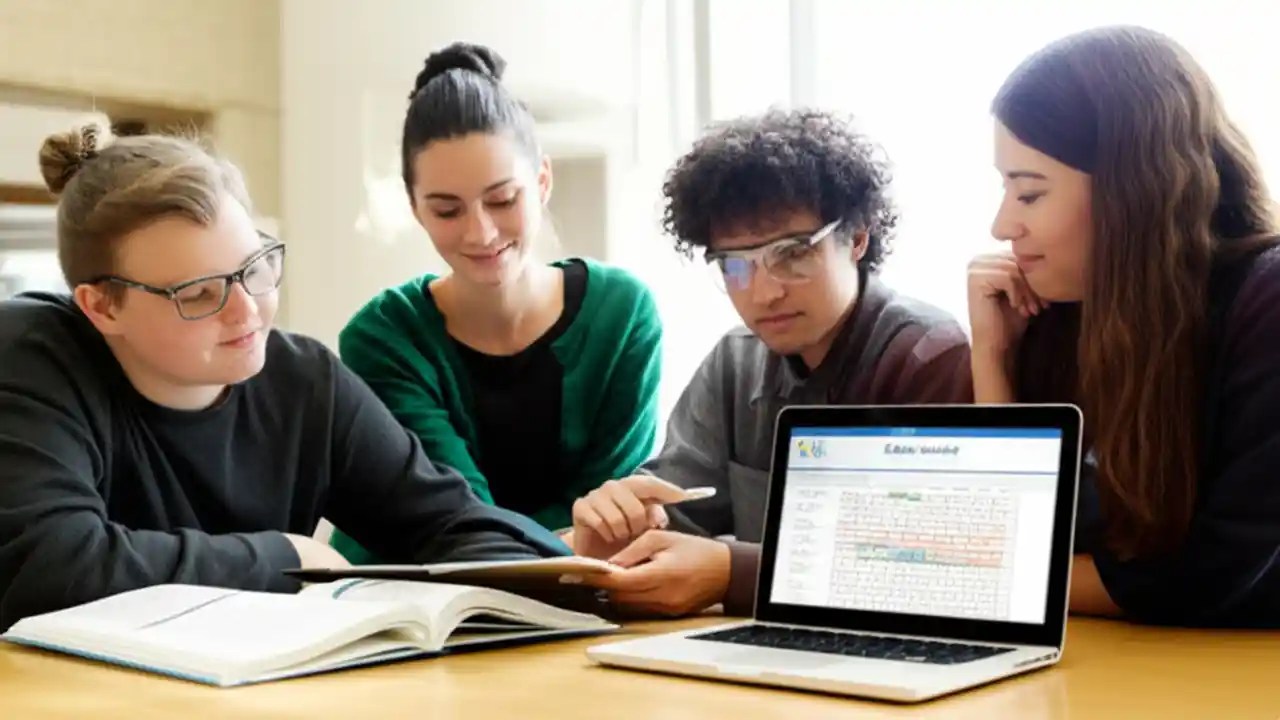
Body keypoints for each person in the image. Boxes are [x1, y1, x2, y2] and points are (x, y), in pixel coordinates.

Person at [0, 121, 571, 631]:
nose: (247, 311)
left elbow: (451, 523)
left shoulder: (302, 379)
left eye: (255, 268)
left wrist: (571, 568)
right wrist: (288, 557)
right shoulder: (31, 354)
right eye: (199, 294)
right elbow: (47, 566)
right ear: (102, 307)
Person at [568, 108, 974, 617]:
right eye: (735, 265)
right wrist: (616, 537)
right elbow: (675, 519)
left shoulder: (928, 358)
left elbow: (926, 568)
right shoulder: (734, 365)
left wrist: (731, 573)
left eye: (793, 253)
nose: (763, 292)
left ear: (858, 238)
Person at [968, 25, 1280, 627]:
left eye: (1029, 194)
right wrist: (993, 359)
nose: (1002, 225)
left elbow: (1204, 576)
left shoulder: (1265, 305)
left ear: (1130, 192)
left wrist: (1003, 578)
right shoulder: (1061, 312)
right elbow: (1009, 539)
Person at [327, 42, 663, 565]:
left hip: (579, 603)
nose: (480, 232)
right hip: (409, 607)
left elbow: (616, 518)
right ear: (415, 206)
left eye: (503, 200)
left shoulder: (622, 314)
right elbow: (455, 521)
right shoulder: (382, 337)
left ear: (542, 181)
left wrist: (591, 541)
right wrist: (576, 544)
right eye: (446, 210)